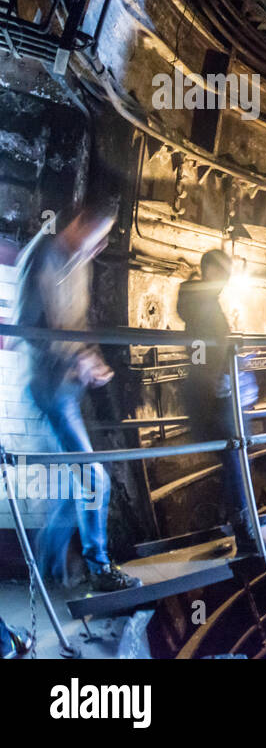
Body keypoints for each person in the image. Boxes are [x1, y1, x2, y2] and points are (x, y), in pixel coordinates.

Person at [13, 199, 141, 592]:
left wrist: (91, 359)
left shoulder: (76, 259)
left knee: (76, 488)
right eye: (96, 237)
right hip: (48, 391)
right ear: (81, 223)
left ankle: (44, 570)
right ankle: (99, 568)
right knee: (93, 480)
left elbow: (76, 325)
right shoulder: (44, 255)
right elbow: (26, 330)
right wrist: (76, 360)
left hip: (64, 388)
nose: (98, 248)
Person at [177, 249, 261, 553]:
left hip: (213, 390)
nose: (226, 279)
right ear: (210, 271)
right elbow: (205, 348)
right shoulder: (203, 303)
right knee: (236, 460)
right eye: (223, 272)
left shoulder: (201, 301)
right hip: (216, 393)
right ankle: (246, 535)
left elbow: (205, 346)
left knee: (234, 460)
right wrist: (217, 376)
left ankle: (242, 529)